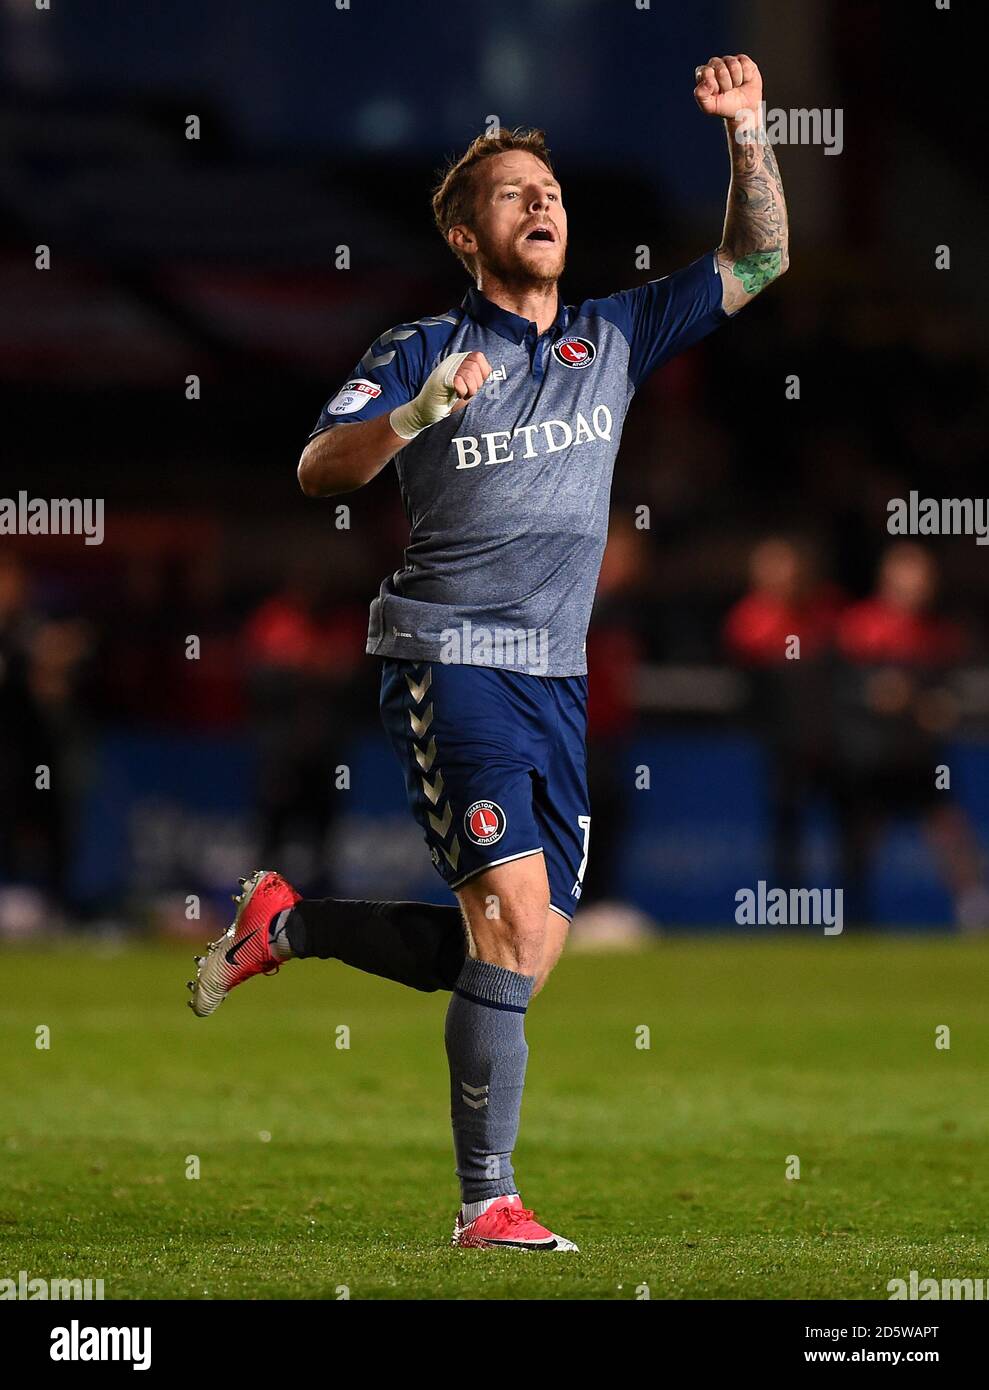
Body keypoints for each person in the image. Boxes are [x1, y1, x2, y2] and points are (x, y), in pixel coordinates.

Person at [190, 54, 789, 1250]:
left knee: (508, 955)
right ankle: (487, 1203)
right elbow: (318, 468)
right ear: (468, 236)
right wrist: (415, 414)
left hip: (556, 678)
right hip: (447, 656)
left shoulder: (614, 334)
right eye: (512, 193)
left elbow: (760, 259)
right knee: (510, 922)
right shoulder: (416, 346)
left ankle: (289, 922)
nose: (540, 203)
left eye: (548, 187)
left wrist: (746, 135)